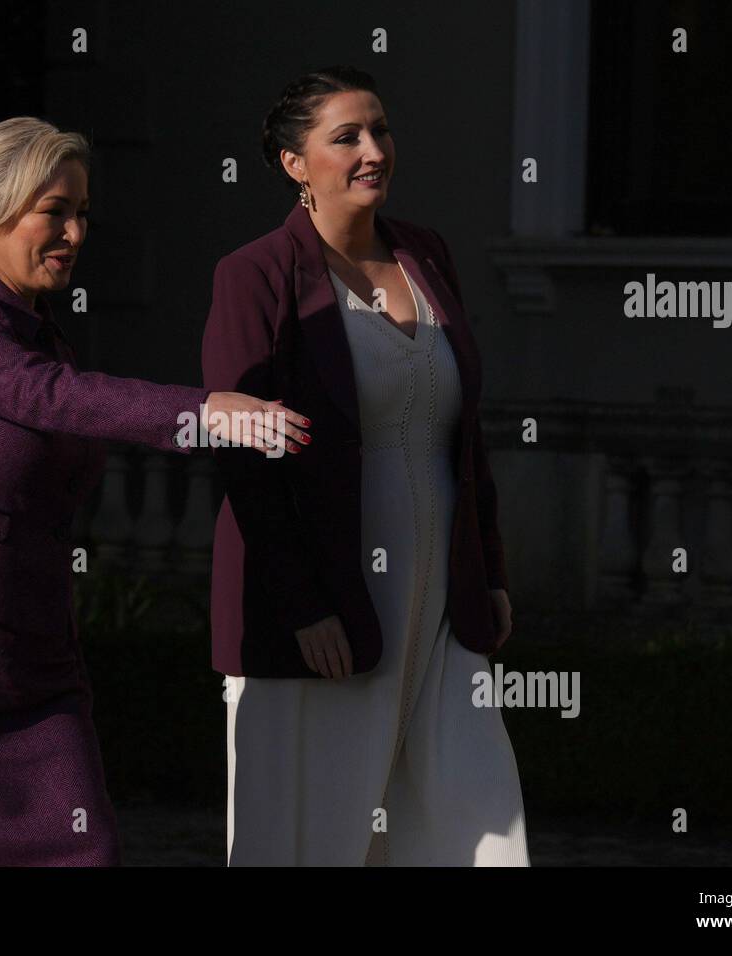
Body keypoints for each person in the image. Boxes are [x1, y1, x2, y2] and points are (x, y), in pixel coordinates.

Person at [0, 117, 309, 866]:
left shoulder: (37, 330)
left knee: (87, 850)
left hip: (36, 659)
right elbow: (52, 398)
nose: (76, 231)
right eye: (54, 210)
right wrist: (203, 412)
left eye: (82, 212)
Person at [203, 67, 529, 865]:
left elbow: (464, 433)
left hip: (442, 598)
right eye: (345, 136)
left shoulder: (427, 255)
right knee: (312, 837)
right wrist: (303, 605)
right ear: (293, 164)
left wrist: (489, 569)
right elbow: (244, 459)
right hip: (325, 606)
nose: (373, 149)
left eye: (379, 129)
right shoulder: (255, 275)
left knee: (477, 826)